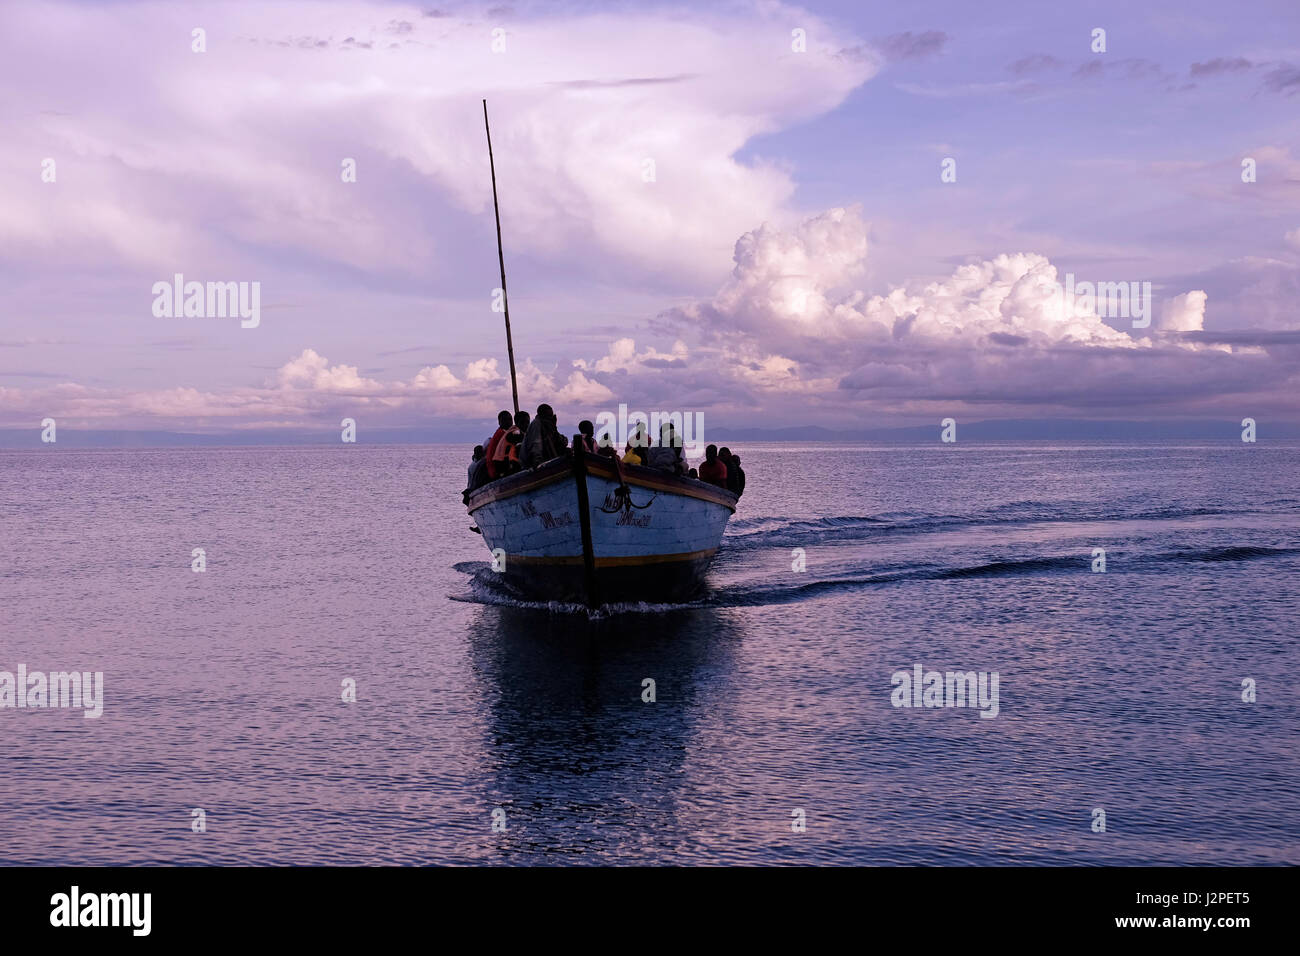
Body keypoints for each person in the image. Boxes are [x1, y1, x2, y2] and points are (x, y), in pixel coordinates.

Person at [522, 403, 564, 468]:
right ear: (542, 416)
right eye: (549, 416)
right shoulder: (536, 424)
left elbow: (561, 442)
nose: (551, 418)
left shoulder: (548, 426)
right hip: (534, 466)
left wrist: (554, 427)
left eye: (551, 415)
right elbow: (536, 445)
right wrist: (538, 464)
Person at [484, 410, 514, 479]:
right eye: (505, 420)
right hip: (496, 471)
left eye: (510, 419)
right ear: (499, 422)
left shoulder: (503, 432)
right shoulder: (502, 434)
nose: (509, 422)